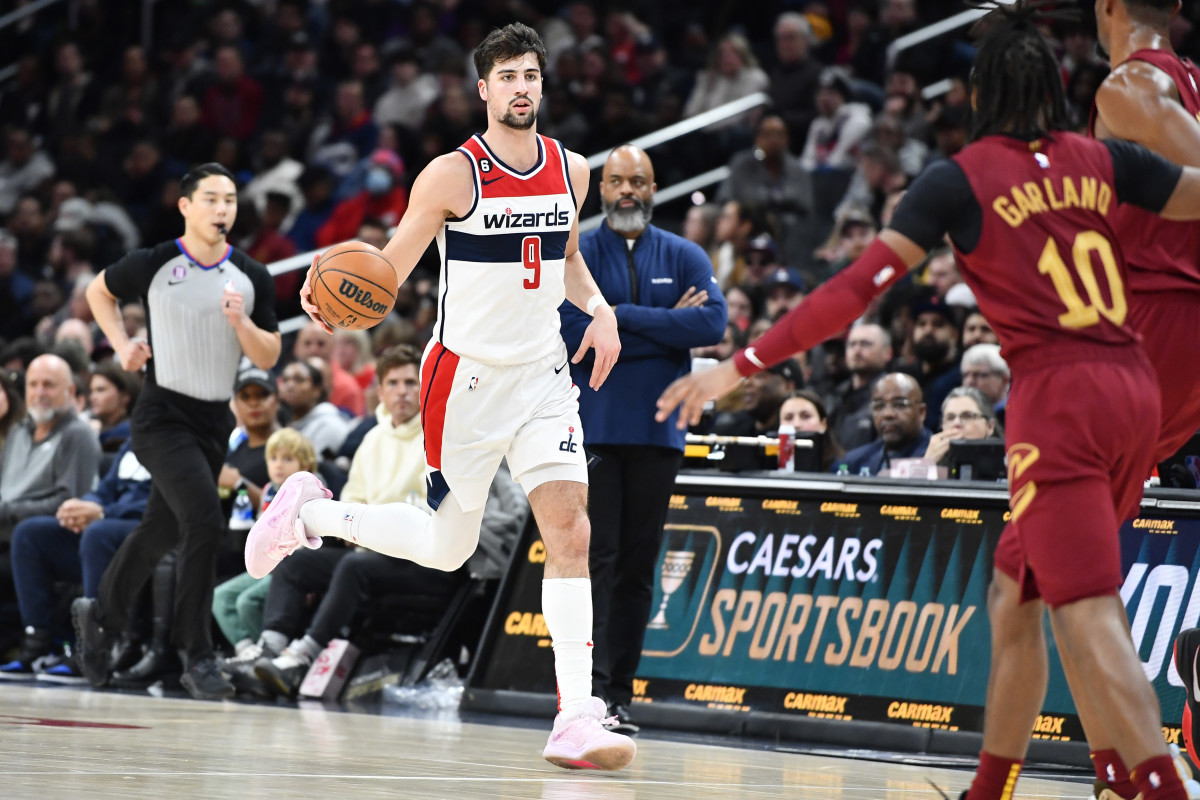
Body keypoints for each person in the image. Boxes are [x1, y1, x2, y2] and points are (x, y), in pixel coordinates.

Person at [655, 3, 1200, 797]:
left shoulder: (961, 178)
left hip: (1061, 395)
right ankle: (996, 786)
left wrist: (739, 364)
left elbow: (851, 291)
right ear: (1056, 90)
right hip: (1138, 387)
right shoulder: (1100, 159)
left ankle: (1159, 785)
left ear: (979, 95)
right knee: (1014, 592)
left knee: (1084, 604)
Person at [243, 24, 633, 771]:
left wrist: (600, 308)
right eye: (507, 77)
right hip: (465, 381)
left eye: (531, 75)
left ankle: (575, 715)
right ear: (483, 90)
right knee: (447, 548)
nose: (521, 87)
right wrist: (333, 300)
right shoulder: (452, 176)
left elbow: (568, 259)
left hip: (543, 376)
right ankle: (310, 513)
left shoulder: (573, 170)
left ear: (542, 85)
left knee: (571, 531)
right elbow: (387, 270)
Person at [74, 162, 281, 702]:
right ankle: (197, 654)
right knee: (204, 517)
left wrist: (242, 323)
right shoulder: (156, 262)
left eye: (230, 199)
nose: (222, 208)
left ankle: (100, 616)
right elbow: (98, 292)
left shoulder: (251, 276)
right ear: (185, 205)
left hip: (214, 420)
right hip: (161, 414)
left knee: (161, 531)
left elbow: (269, 354)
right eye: (211, 198)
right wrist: (121, 345)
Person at [559, 144, 726, 734]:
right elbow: (569, 332)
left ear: (654, 189)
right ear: (600, 189)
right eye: (616, 181)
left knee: (637, 567)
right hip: (595, 430)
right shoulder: (577, 253)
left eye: (638, 181)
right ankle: (589, 694)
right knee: (596, 560)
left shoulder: (684, 253)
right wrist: (665, 326)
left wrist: (617, 317)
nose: (627, 190)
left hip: (660, 432)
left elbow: (712, 323)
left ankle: (619, 696)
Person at [213, 427, 317, 667]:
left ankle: (267, 656)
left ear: (306, 465)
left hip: (291, 570)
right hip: (269, 566)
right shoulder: (269, 491)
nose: (278, 464)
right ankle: (247, 652)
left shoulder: (311, 492)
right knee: (220, 597)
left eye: (288, 459)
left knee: (247, 602)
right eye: (273, 458)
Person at [922, 386, 999, 466]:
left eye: (968, 416)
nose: (957, 423)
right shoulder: (931, 459)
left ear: (990, 426)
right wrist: (927, 462)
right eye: (950, 417)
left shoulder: (1005, 463)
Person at [778, 389, 843, 471]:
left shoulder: (841, 466)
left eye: (806, 416)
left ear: (823, 424)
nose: (796, 424)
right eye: (788, 418)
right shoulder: (770, 464)